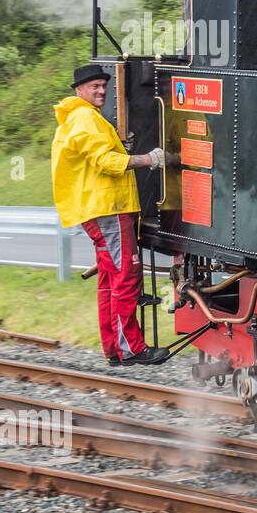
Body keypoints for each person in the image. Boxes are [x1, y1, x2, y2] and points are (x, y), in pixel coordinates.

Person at [51, 64, 170, 366]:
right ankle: (131, 347)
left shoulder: (78, 118)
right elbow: (105, 161)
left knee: (108, 279)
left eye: (104, 86)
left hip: (98, 208)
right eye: (95, 86)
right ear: (79, 90)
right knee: (126, 277)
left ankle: (115, 350)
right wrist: (149, 159)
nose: (102, 91)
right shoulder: (85, 118)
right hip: (108, 208)